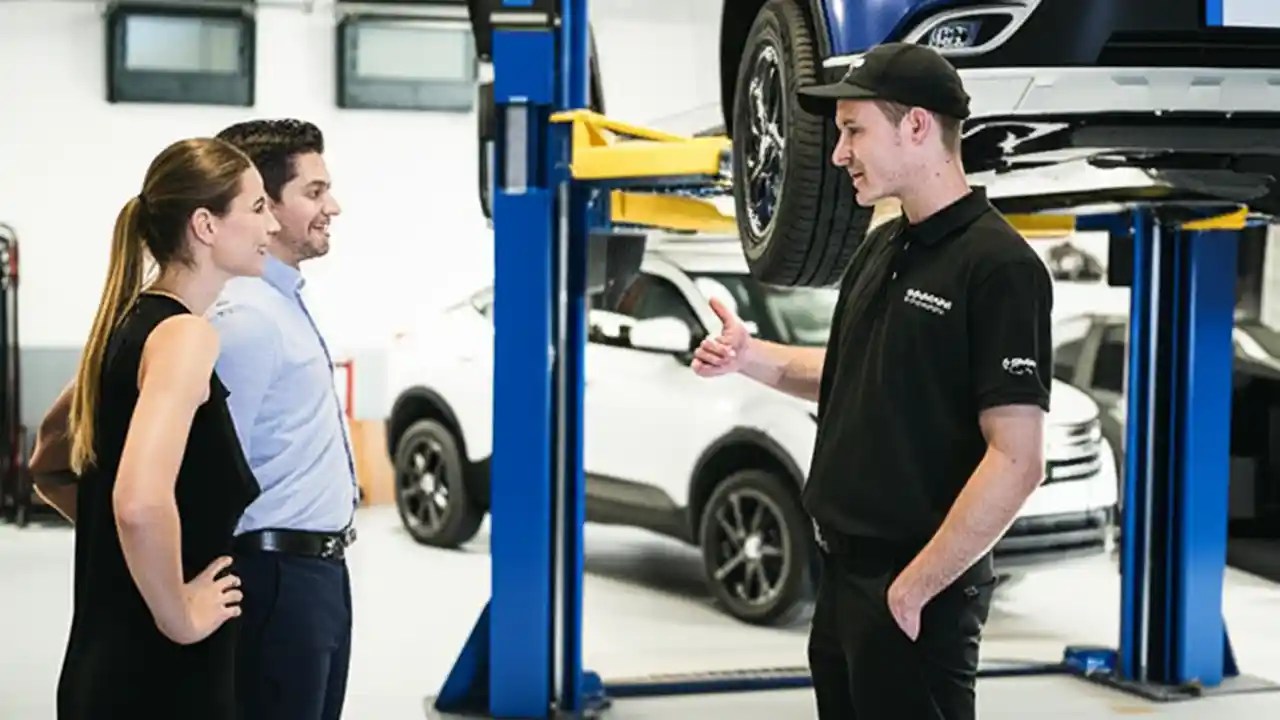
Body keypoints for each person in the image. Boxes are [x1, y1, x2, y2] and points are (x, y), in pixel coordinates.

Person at [692, 43, 1054, 719]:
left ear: (916, 125)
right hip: (845, 575)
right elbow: (852, 377)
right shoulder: (884, 247)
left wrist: (912, 591)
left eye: (853, 130)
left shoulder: (999, 267)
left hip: (914, 587)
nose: (839, 153)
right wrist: (751, 356)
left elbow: (1018, 458)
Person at [27, 136, 280, 719]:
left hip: (105, 660)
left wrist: (136, 556)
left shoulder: (127, 327)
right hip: (160, 672)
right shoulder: (186, 337)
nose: (271, 225)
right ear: (206, 225)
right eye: (258, 207)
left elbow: (47, 462)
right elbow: (139, 503)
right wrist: (180, 614)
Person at [208, 118, 356, 720]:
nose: (334, 207)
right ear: (265, 205)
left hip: (316, 572)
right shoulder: (245, 317)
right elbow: (211, 475)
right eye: (315, 192)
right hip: (273, 577)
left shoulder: (282, 301)